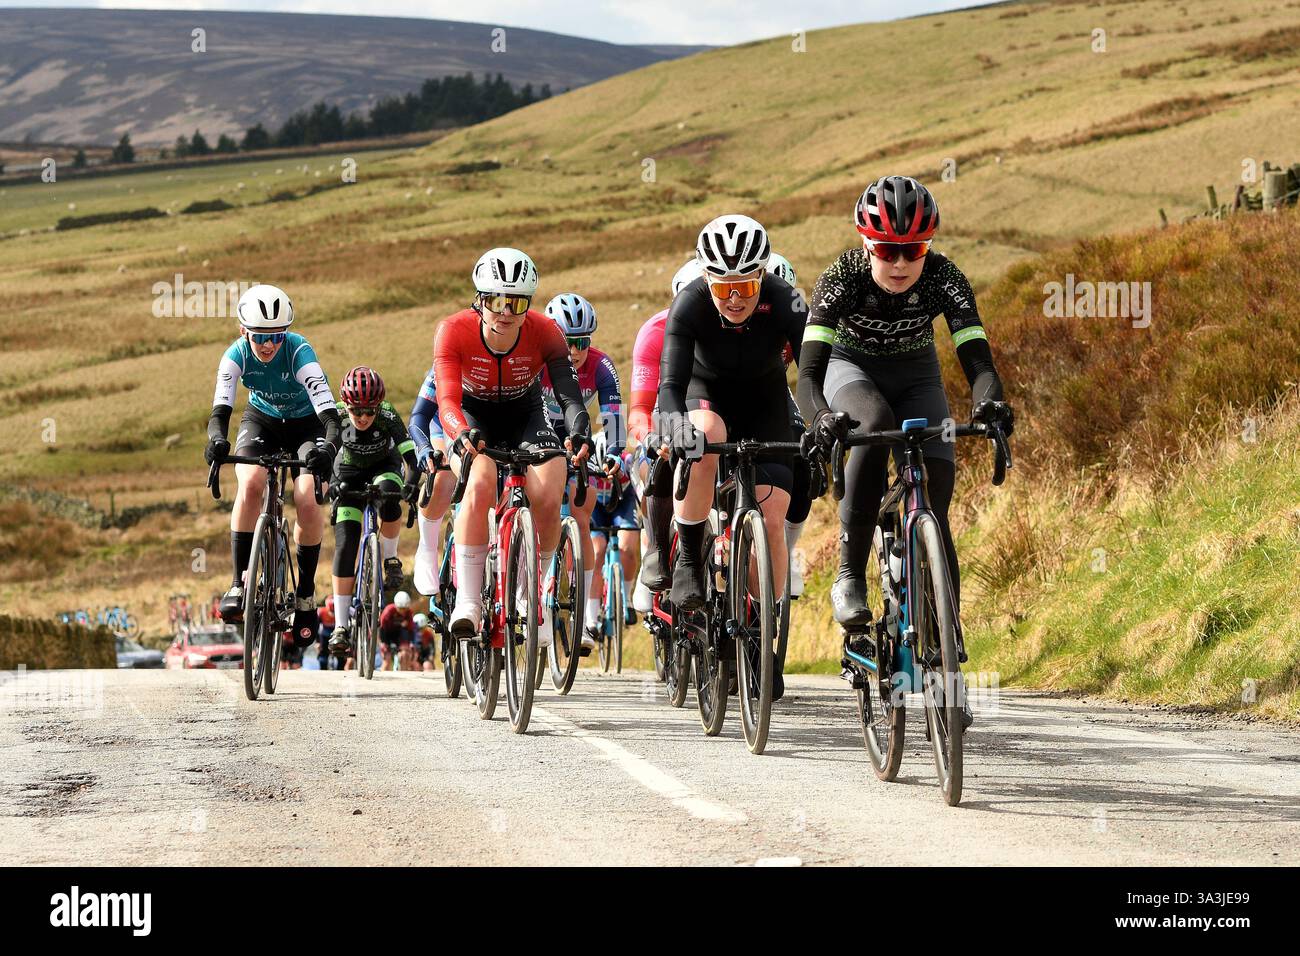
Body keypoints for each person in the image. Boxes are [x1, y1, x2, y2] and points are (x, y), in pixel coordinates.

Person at [796, 175, 1015, 632]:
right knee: (874, 422)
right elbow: (810, 374)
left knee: (935, 499)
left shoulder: (944, 277)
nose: (899, 263)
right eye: (886, 250)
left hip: (916, 374)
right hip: (850, 369)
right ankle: (851, 575)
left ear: (928, 246)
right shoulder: (842, 278)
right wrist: (820, 417)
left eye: (913, 250)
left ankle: (946, 650)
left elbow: (978, 361)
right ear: (865, 243)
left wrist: (989, 402)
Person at [657, 215, 806, 698]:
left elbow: (813, 374)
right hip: (708, 397)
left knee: (774, 515)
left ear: (762, 275)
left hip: (765, 403)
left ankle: (761, 627)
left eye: (744, 284)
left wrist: (822, 418)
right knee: (704, 434)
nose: (736, 297)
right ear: (707, 280)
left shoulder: (786, 301)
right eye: (724, 288)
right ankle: (690, 564)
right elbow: (670, 389)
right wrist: (675, 427)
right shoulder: (689, 304)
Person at [434, 248, 593, 647]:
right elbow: (448, 401)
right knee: (481, 477)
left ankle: (532, 593)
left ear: (528, 304)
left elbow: (570, 397)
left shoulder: (546, 331)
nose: (505, 311)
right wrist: (459, 434)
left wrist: (579, 430)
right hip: (473, 415)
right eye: (495, 301)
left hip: (525, 413)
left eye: (516, 302)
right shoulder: (452, 330)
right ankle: (469, 601)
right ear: (479, 300)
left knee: (550, 482)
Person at [204, 283, 340, 648]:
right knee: (250, 483)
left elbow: (331, 417)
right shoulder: (234, 356)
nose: (268, 345)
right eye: (260, 337)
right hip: (262, 420)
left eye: (276, 337)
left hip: (307, 424)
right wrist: (217, 442)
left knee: (308, 497)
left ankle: (306, 593)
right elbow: (220, 412)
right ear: (243, 331)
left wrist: (327, 449)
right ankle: (238, 581)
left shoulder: (300, 353)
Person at [539, 292, 634, 648]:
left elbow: (612, 415)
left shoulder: (602, 366)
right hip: (537, 430)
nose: (575, 350)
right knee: (539, 502)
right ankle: (531, 597)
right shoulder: (538, 360)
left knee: (584, 509)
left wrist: (614, 453)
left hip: (576, 434)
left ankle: (583, 618)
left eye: (582, 341)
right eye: (567, 341)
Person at [324, 366, 420, 655]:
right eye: (357, 411)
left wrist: (412, 487)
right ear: (346, 405)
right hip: (347, 472)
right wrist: (331, 486)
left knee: (391, 496)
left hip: (383, 468)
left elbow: (411, 460)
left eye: (369, 411)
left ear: (378, 406)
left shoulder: (389, 415)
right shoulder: (338, 416)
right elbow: (326, 455)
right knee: (346, 544)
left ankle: (390, 559)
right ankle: (341, 627)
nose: (363, 417)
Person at [408, 366, 458, 598]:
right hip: (443, 426)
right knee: (443, 474)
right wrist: (425, 448)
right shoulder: (443, 366)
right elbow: (418, 416)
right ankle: (427, 548)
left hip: (481, 427)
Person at [377, 590, 414, 670]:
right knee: (387, 659)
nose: (403, 612)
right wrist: (382, 643)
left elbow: (410, 630)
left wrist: (410, 643)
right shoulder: (388, 610)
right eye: (400, 609)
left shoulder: (409, 613)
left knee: (404, 655)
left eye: (405, 609)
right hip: (386, 634)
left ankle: (404, 676)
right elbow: (381, 628)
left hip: (399, 635)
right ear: (396, 605)